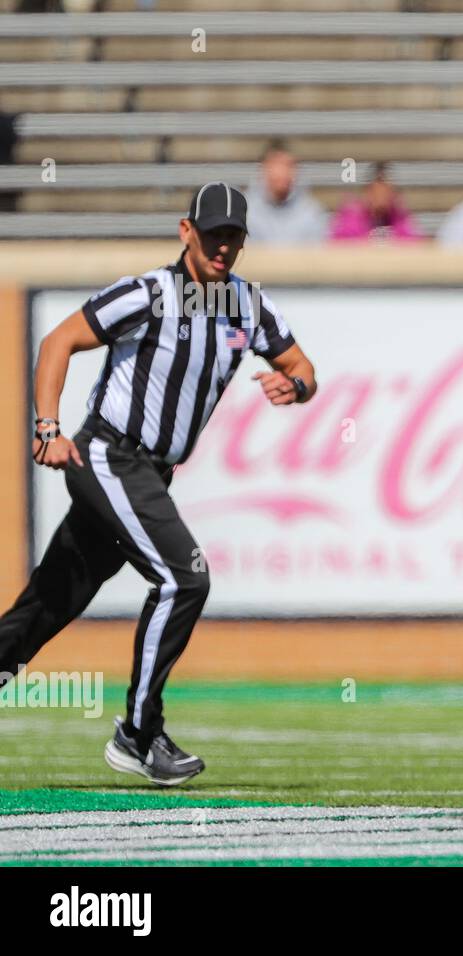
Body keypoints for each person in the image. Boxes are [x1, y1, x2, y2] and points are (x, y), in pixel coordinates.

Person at [0, 183, 318, 786]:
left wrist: (295, 387)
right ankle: (139, 735)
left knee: (52, 600)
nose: (223, 247)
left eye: (235, 236)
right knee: (185, 575)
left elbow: (302, 366)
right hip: (108, 455)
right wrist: (47, 428)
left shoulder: (248, 307)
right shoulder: (149, 294)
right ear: (186, 231)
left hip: (152, 473)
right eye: (213, 233)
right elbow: (58, 340)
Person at [244, 140, 328, 245]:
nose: (282, 172)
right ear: (263, 168)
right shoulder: (245, 212)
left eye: (288, 166)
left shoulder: (312, 213)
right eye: (275, 165)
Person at [329, 163, 423, 243]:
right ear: (367, 191)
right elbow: (338, 246)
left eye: (386, 191)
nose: (381, 196)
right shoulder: (350, 217)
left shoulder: (400, 218)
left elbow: (412, 243)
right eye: (377, 191)